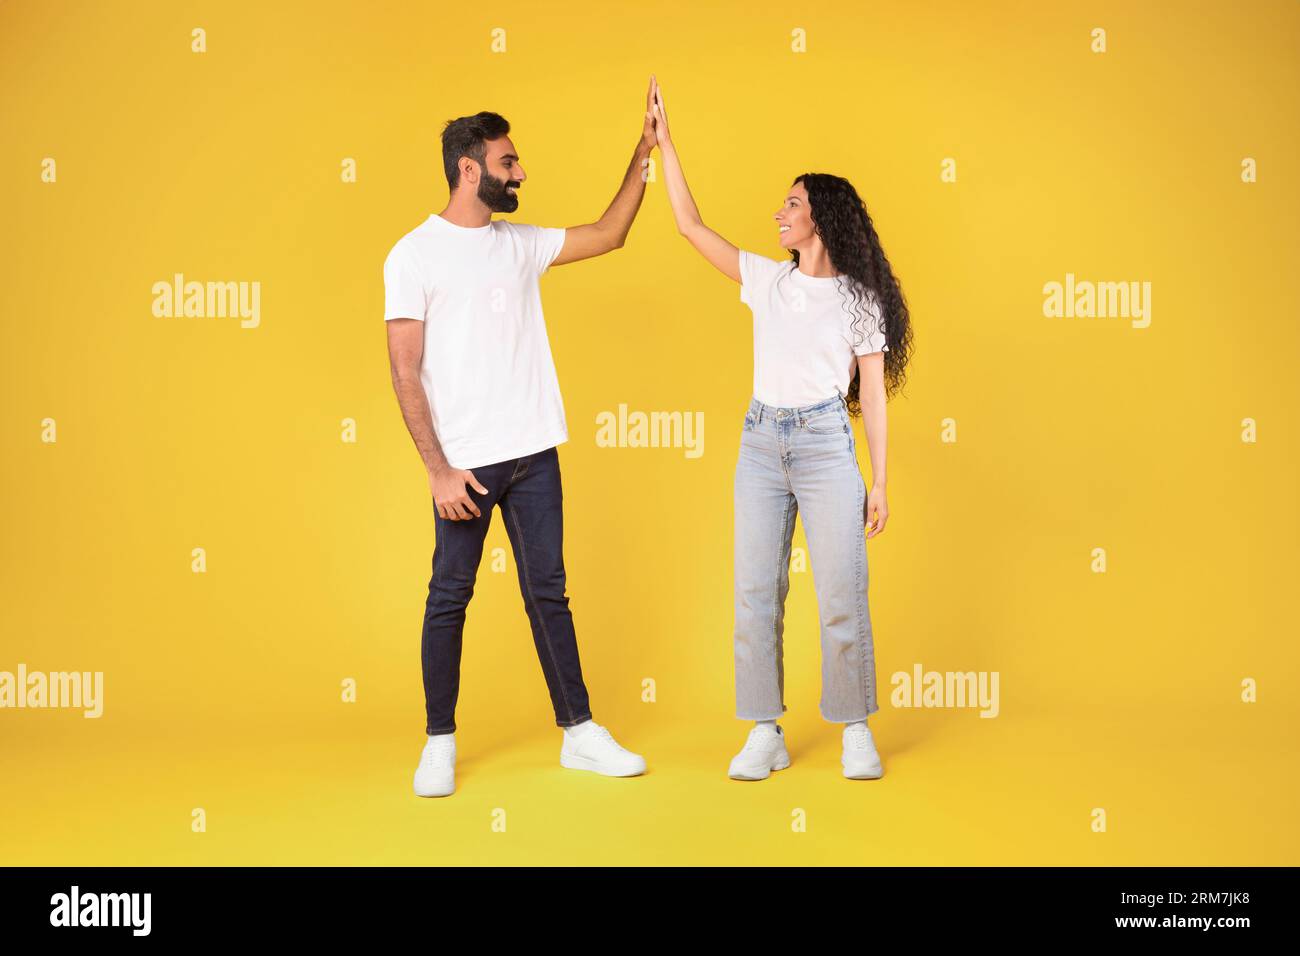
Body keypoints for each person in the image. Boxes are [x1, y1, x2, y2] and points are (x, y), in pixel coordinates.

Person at [384, 81, 659, 797]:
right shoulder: (412, 255)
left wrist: (643, 153)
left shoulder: (520, 245)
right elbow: (405, 372)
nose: (521, 172)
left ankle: (580, 733)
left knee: (548, 593)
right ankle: (438, 743)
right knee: (450, 596)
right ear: (469, 169)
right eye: (509, 162)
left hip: (535, 451)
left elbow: (609, 233)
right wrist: (437, 469)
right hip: (466, 466)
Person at [650, 79, 913, 780]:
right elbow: (689, 226)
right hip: (762, 443)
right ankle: (763, 730)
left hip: (828, 445)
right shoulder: (768, 281)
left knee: (840, 589)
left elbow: (874, 397)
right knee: (756, 591)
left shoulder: (859, 300)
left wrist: (879, 481)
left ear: (822, 217)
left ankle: (855, 727)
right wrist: (665, 146)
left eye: (791, 204)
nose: (779, 213)